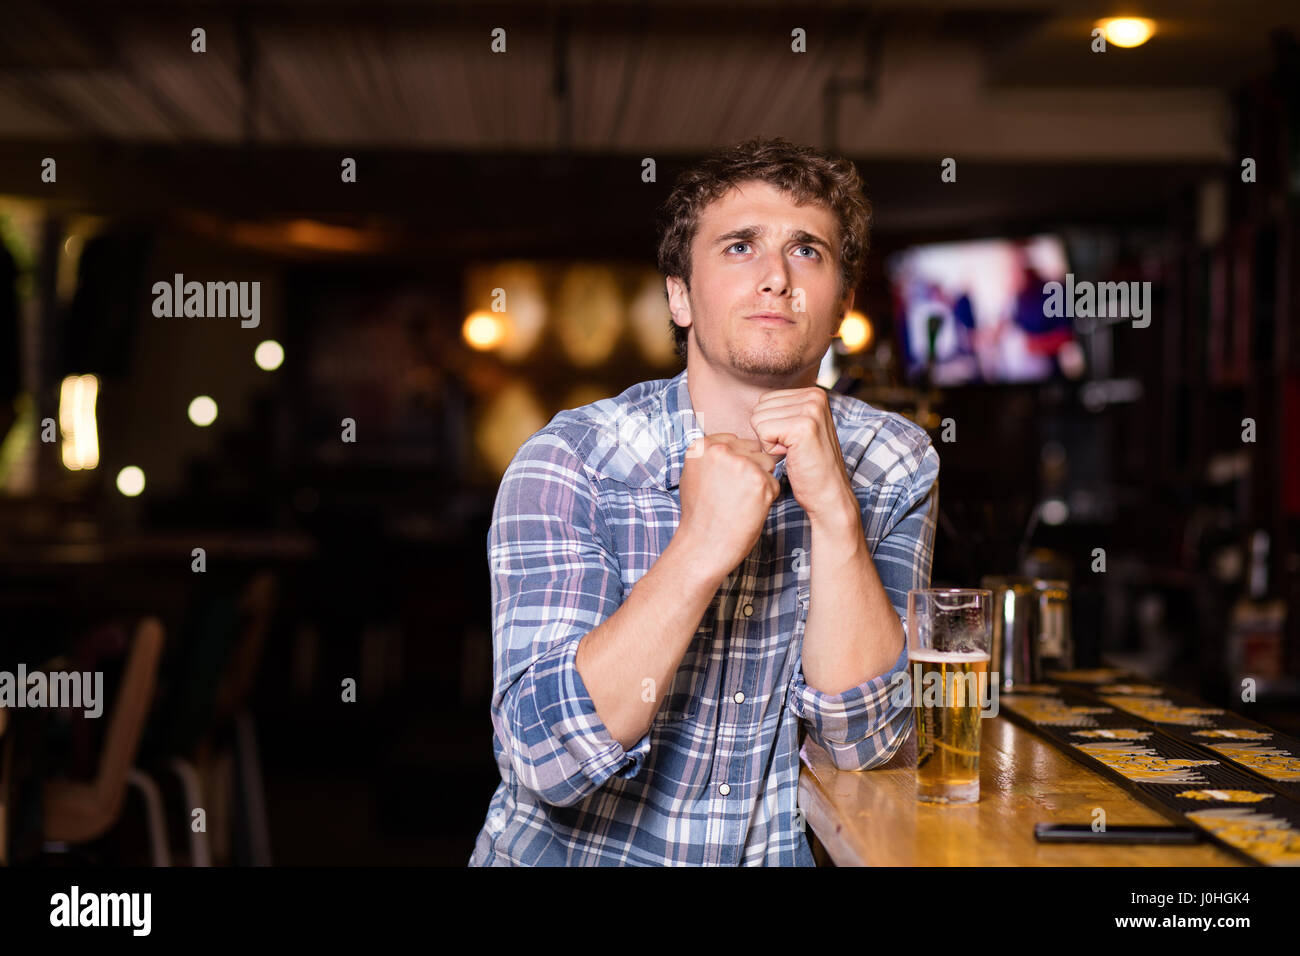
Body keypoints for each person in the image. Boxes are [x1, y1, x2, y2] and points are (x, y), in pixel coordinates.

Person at [469, 136, 940, 866]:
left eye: (808, 250)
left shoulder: (893, 461)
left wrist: (835, 514)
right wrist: (698, 551)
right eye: (740, 246)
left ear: (843, 304)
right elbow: (546, 759)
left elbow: (868, 749)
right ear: (679, 295)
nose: (777, 277)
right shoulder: (571, 460)